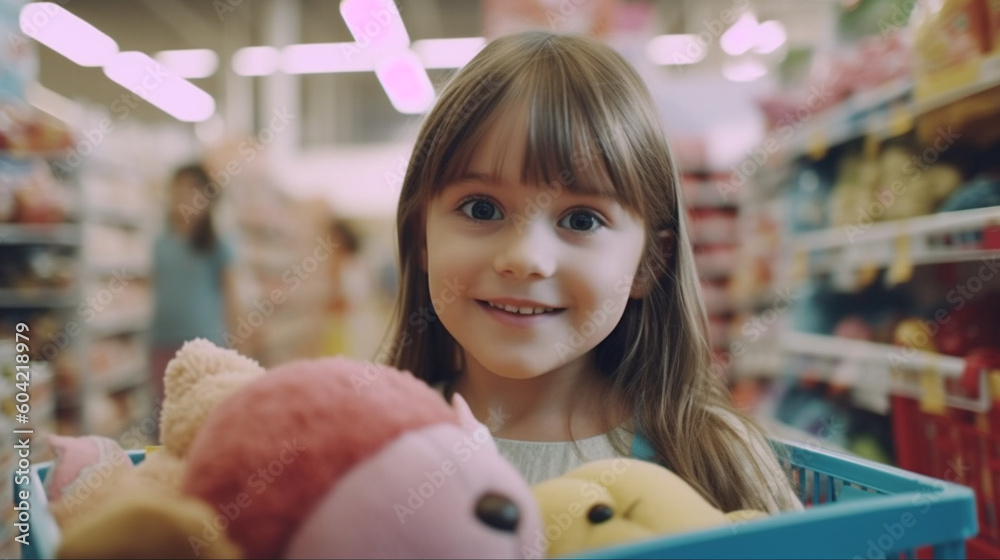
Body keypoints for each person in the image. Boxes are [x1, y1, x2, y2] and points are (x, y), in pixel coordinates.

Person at [385, 31, 801, 513]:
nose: (524, 258)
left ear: (650, 262)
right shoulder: (370, 446)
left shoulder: (714, 461)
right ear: (422, 239)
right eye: (481, 209)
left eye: (581, 220)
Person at [149, 163, 241, 422]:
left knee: (202, 414)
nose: (182, 197)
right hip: (162, 342)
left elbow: (231, 296)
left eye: (192, 190)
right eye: (176, 190)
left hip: (204, 346)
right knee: (166, 416)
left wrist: (237, 341)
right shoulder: (161, 243)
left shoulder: (216, 245)